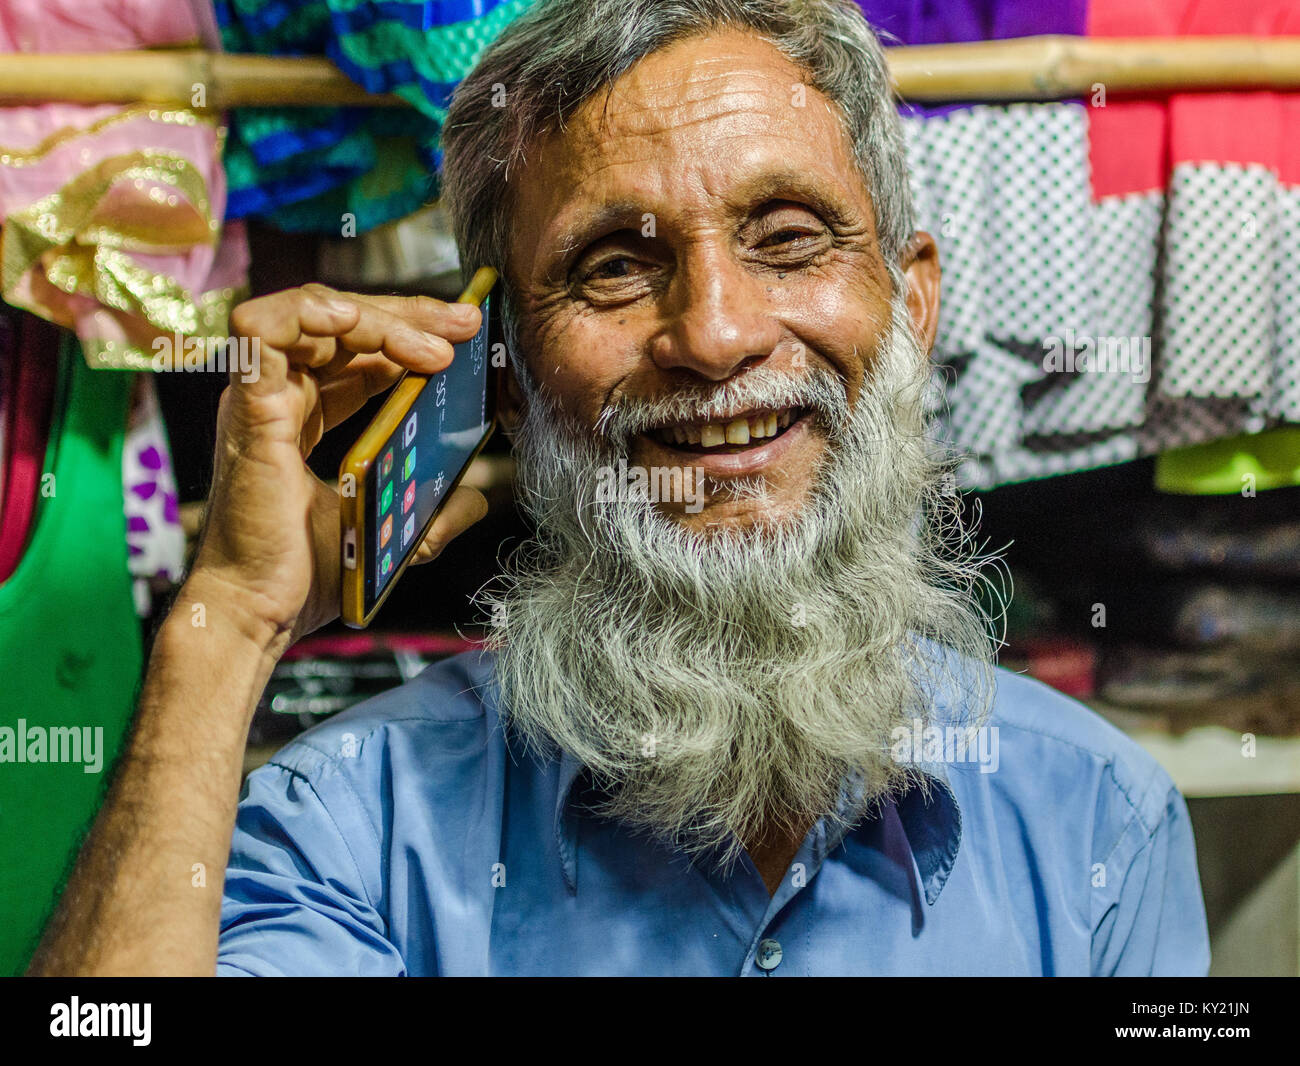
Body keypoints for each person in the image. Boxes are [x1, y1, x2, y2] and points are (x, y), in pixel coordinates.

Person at [30, 0, 1210, 976]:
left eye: (788, 237)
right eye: (613, 267)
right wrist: (229, 617)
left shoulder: (1100, 818)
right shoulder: (354, 828)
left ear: (912, 305)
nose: (713, 332)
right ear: (502, 368)